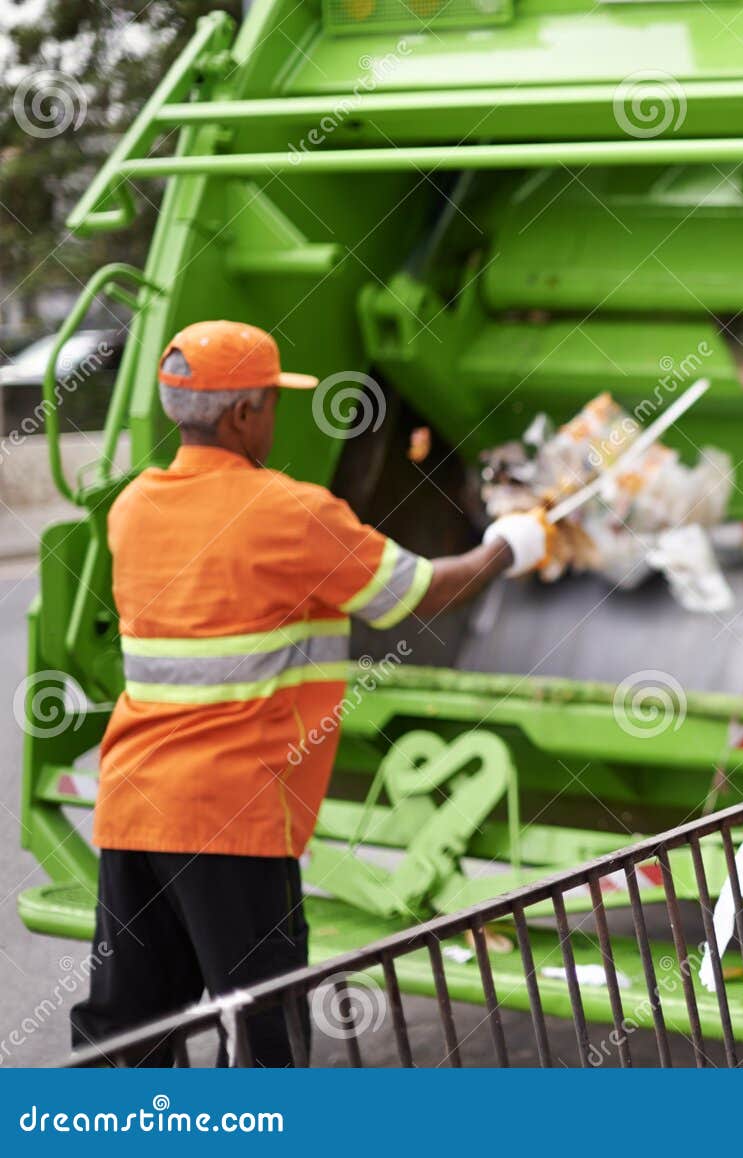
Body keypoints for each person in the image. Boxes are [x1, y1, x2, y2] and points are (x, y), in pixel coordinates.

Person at [69, 320, 548, 1066]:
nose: (274, 415)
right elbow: (419, 591)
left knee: (126, 1029)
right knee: (263, 1032)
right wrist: (506, 547)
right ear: (241, 415)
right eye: (269, 401)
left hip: (135, 807)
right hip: (234, 816)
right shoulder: (286, 511)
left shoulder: (133, 507)